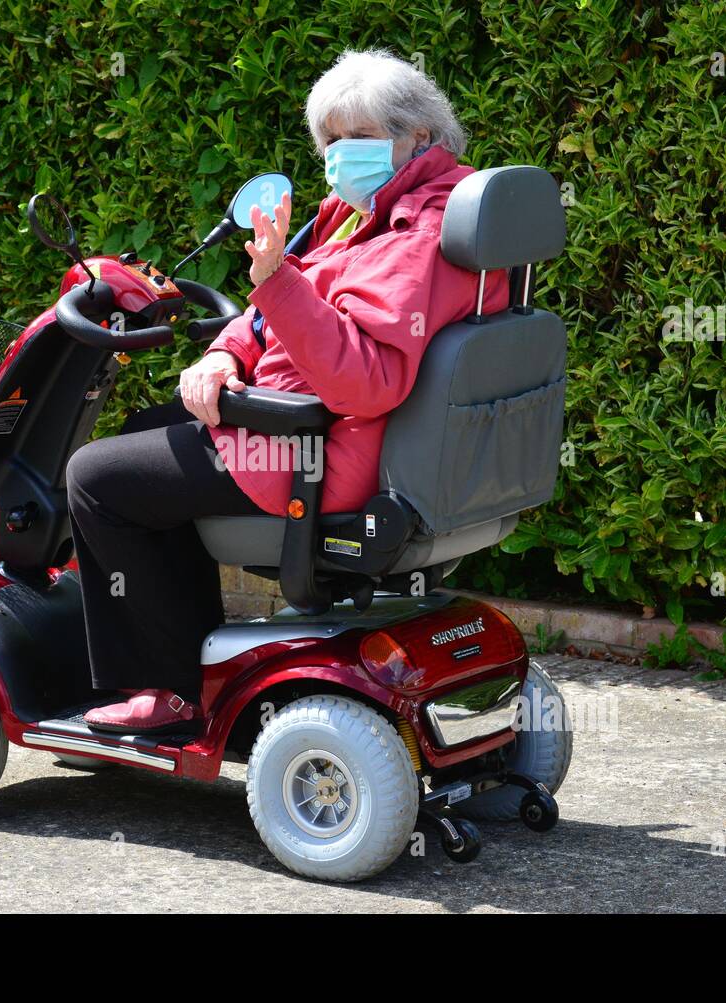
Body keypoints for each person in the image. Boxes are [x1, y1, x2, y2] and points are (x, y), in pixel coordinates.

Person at [67, 49, 508, 733]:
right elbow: (277, 308)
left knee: (95, 477)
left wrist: (273, 277)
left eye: (357, 137)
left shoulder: (414, 234)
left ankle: (168, 688)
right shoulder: (360, 209)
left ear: (417, 136)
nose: (338, 155)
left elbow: (367, 379)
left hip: (313, 452)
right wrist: (225, 352)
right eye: (330, 139)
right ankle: (183, 659)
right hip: (300, 428)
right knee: (138, 439)